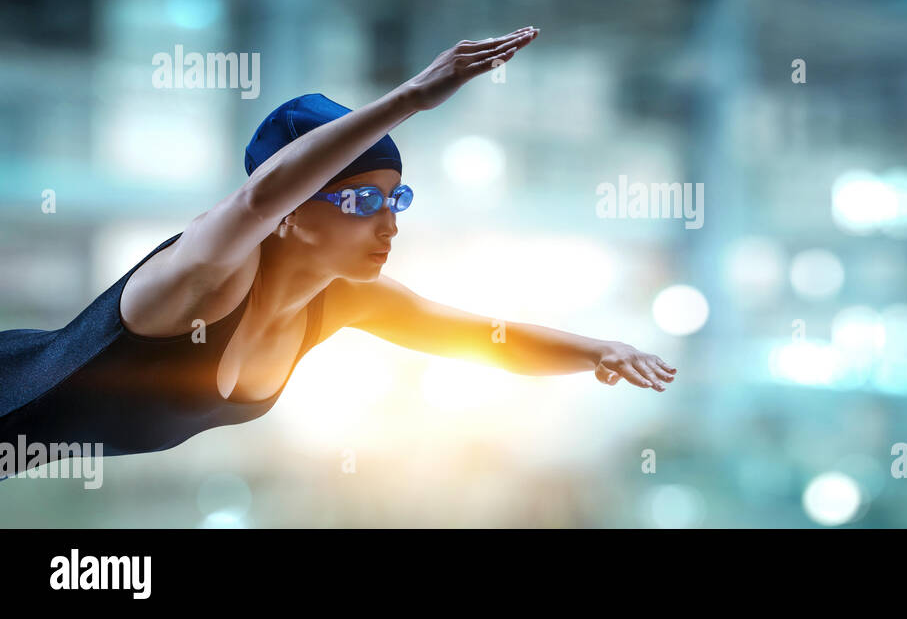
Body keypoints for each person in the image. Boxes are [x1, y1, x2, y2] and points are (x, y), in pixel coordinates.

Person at [0, 26, 676, 478]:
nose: (388, 224)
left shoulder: (339, 303)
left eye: (396, 199)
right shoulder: (204, 279)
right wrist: (412, 98)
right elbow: (251, 205)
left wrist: (598, 352)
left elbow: (478, 338)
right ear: (291, 215)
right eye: (360, 201)